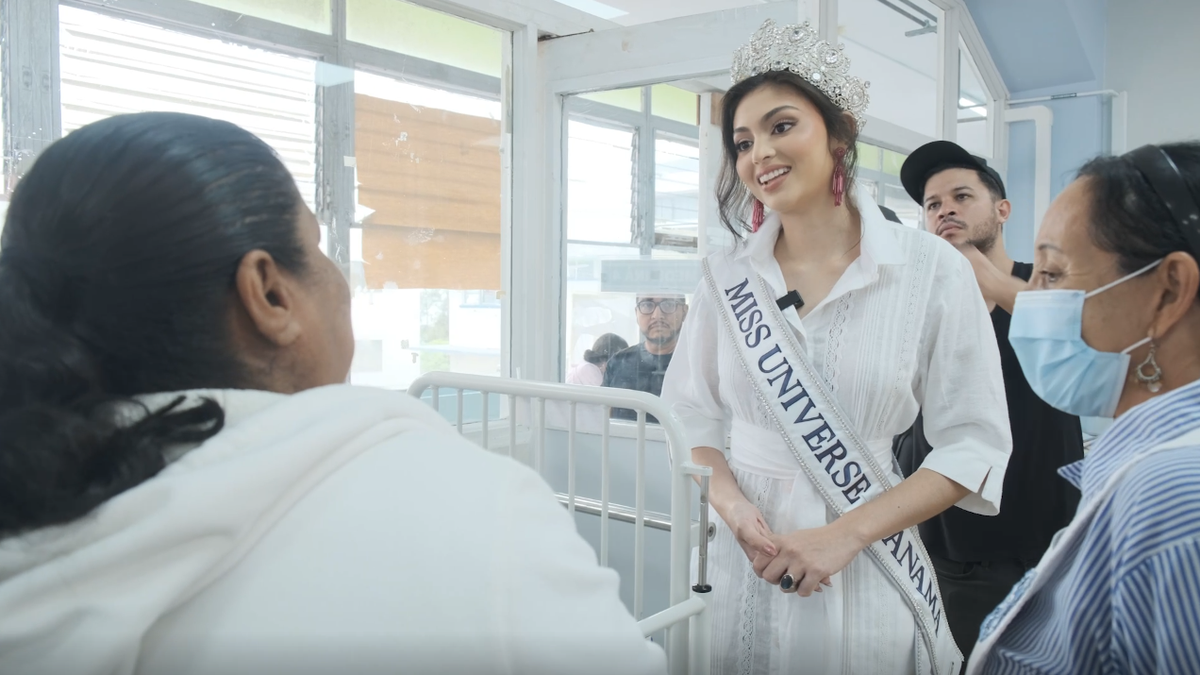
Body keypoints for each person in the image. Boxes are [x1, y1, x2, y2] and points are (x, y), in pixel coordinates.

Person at [0, 113, 666, 675]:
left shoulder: (33, 534)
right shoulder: (478, 511)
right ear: (269, 293)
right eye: (317, 247)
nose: (340, 277)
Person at [662, 19, 1011, 675]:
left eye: (781, 125)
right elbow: (692, 416)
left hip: (870, 564)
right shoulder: (726, 275)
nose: (759, 152)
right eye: (742, 141)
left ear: (839, 132)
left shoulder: (933, 270)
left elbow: (974, 442)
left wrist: (844, 534)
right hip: (746, 564)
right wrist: (735, 510)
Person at [969, 142, 1200, 674]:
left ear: (1168, 291)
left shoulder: (1173, 496)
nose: (1032, 299)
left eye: (1051, 275)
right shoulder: (1141, 471)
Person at [892, 141, 1083, 660]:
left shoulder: (1045, 281)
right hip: (948, 543)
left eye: (961, 196)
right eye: (933, 205)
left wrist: (987, 277)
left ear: (1002, 210)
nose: (944, 210)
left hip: (1043, 538)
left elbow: (1080, 329)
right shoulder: (922, 305)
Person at [603, 294, 687, 421]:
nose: (657, 316)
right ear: (636, 313)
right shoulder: (619, 362)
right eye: (647, 305)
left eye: (669, 304)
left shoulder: (698, 365)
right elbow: (603, 418)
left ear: (684, 312)